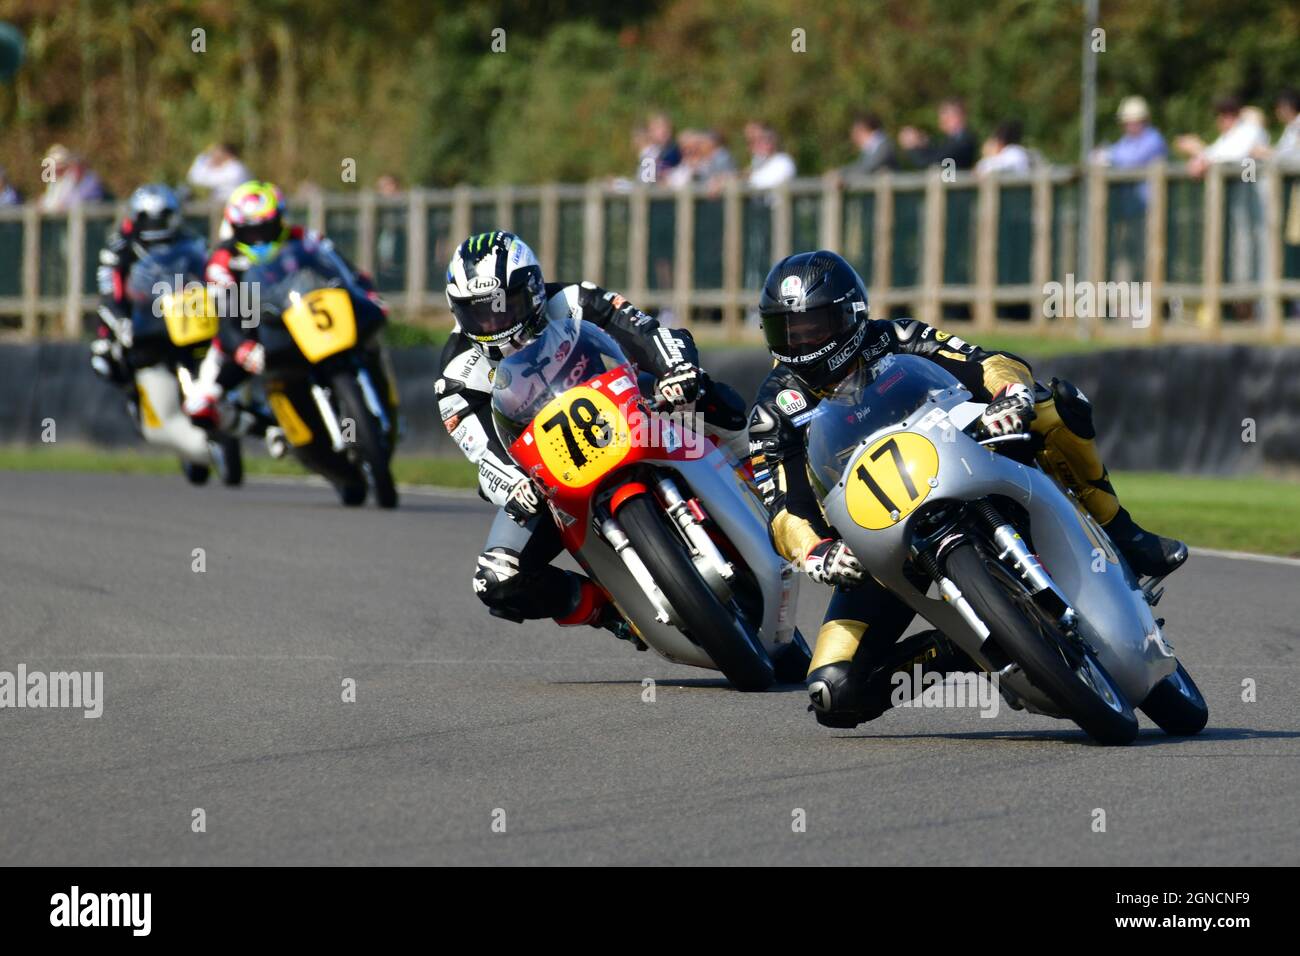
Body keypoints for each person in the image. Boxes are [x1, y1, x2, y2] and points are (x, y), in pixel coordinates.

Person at [749, 250, 1188, 728]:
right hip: (878, 546)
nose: (800, 341)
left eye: (812, 326)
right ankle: (967, 644)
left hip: (967, 461)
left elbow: (986, 362)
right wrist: (816, 552)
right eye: (787, 330)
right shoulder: (775, 409)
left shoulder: (896, 338)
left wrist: (1009, 394)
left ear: (851, 313)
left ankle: (1122, 531)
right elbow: (782, 509)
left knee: (1052, 406)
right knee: (832, 690)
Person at [437, 230, 748, 642]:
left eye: (504, 306)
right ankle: (608, 610)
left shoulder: (572, 299)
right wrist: (514, 485)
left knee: (705, 393)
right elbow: (483, 454)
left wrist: (676, 370)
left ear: (531, 290)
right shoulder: (457, 372)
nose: (496, 323)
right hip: (549, 471)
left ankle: (764, 478)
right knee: (496, 580)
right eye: (479, 314)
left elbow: (643, 330)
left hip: (630, 411)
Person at [183, 180, 385, 432]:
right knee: (202, 403)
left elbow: (344, 270)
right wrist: (242, 346)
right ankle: (264, 427)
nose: (258, 239)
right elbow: (223, 313)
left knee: (369, 334)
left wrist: (366, 295)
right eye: (250, 232)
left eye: (266, 228)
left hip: (305, 317)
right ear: (235, 229)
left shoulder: (304, 238)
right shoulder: (222, 261)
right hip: (253, 329)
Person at [90, 184, 194, 393]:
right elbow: (110, 293)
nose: (156, 226)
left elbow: (203, 273)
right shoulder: (119, 248)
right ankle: (136, 395)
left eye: (162, 218)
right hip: (139, 318)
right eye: (149, 219)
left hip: (183, 315)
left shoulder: (188, 241)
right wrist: (121, 323)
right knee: (105, 357)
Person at [899, 98, 978, 171]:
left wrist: (913, 147)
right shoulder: (955, 140)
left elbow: (931, 162)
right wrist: (923, 144)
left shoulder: (963, 141)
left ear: (956, 117)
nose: (940, 122)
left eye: (944, 117)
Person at [38, 144, 105, 211]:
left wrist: (61, 205)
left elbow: (78, 200)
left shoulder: (91, 180)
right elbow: (53, 201)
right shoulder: (57, 182)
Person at [186, 143, 251, 203]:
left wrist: (202, 160)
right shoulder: (227, 168)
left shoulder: (236, 169)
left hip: (236, 206)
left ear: (226, 154)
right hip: (225, 204)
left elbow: (198, 179)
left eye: (215, 153)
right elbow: (192, 177)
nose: (212, 156)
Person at [745, 122, 797, 189]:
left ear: (772, 141)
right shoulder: (758, 161)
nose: (756, 145)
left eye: (760, 140)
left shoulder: (783, 161)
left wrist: (746, 177)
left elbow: (765, 183)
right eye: (752, 142)